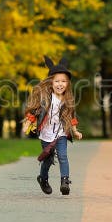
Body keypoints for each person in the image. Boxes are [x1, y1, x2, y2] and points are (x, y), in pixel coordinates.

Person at [23, 56, 83, 196]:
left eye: (63, 81)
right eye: (57, 81)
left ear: (67, 84)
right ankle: (43, 179)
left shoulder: (67, 99)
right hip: (46, 134)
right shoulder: (44, 97)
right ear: (51, 82)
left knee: (63, 156)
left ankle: (65, 182)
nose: (60, 84)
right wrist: (27, 125)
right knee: (48, 160)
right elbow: (33, 112)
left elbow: (71, 117)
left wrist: (75, 131)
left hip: (61, 133)